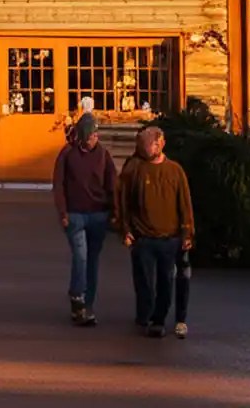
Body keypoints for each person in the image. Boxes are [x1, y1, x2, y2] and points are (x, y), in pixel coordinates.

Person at [119, 126, 194, 339]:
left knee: (165, 281)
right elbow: (126, 202)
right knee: (145, 281)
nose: (147, 148)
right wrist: (125, 228)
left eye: (151, 144)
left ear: (161, 144)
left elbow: (184, 203)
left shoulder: (174, 171)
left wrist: (187, 232)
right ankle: (148, 316)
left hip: (169, 238)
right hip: (143, 237)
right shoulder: (137, 170)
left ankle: (158, 319)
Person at [51, 112, 116, 327]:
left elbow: (112, 185)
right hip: (75, 214)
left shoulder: (103, 156)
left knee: (93, 260)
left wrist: (115, 212)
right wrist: (63, 212)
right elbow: (59, 185)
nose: (94, 138)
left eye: (97, 134)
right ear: (82, 135)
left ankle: (87, 305)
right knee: (81, 256)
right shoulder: (68, 154)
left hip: (98, 214)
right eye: (91, 134)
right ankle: (77, 296)